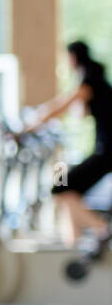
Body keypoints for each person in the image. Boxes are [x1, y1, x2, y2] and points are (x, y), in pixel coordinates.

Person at [17, 40, 112, 245]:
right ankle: (73, 245)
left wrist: (30, 126)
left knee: (60, 188)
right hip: (104, 149)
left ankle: (102, 230)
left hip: (107, 151)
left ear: (73, 57)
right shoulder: (95, 79)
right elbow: (76, 111)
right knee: (66, 191)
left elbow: (61, 106)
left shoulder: (90, 80)